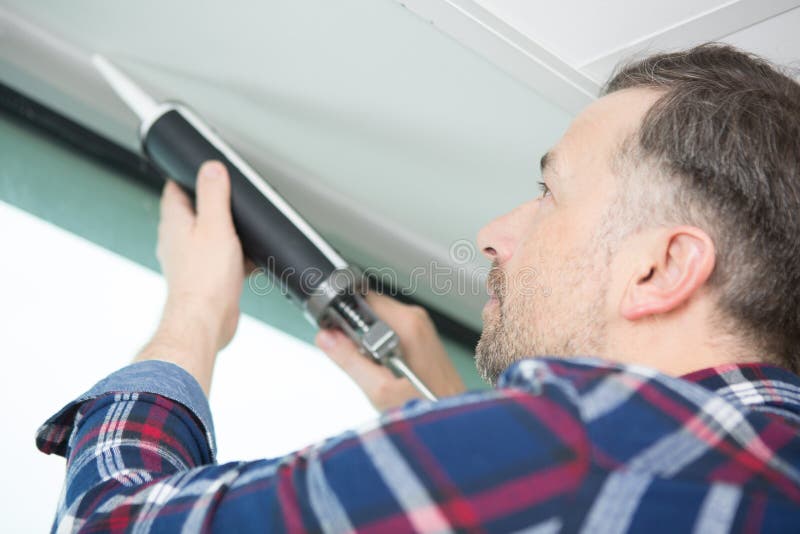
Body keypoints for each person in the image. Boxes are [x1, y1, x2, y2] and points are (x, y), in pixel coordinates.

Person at [37, 44, 800, 532]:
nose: (494, 234)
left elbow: (109, 525)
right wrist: (439, 402)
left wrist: (194, 311)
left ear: (661, 268)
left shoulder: (579, 444)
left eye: (548, 192)